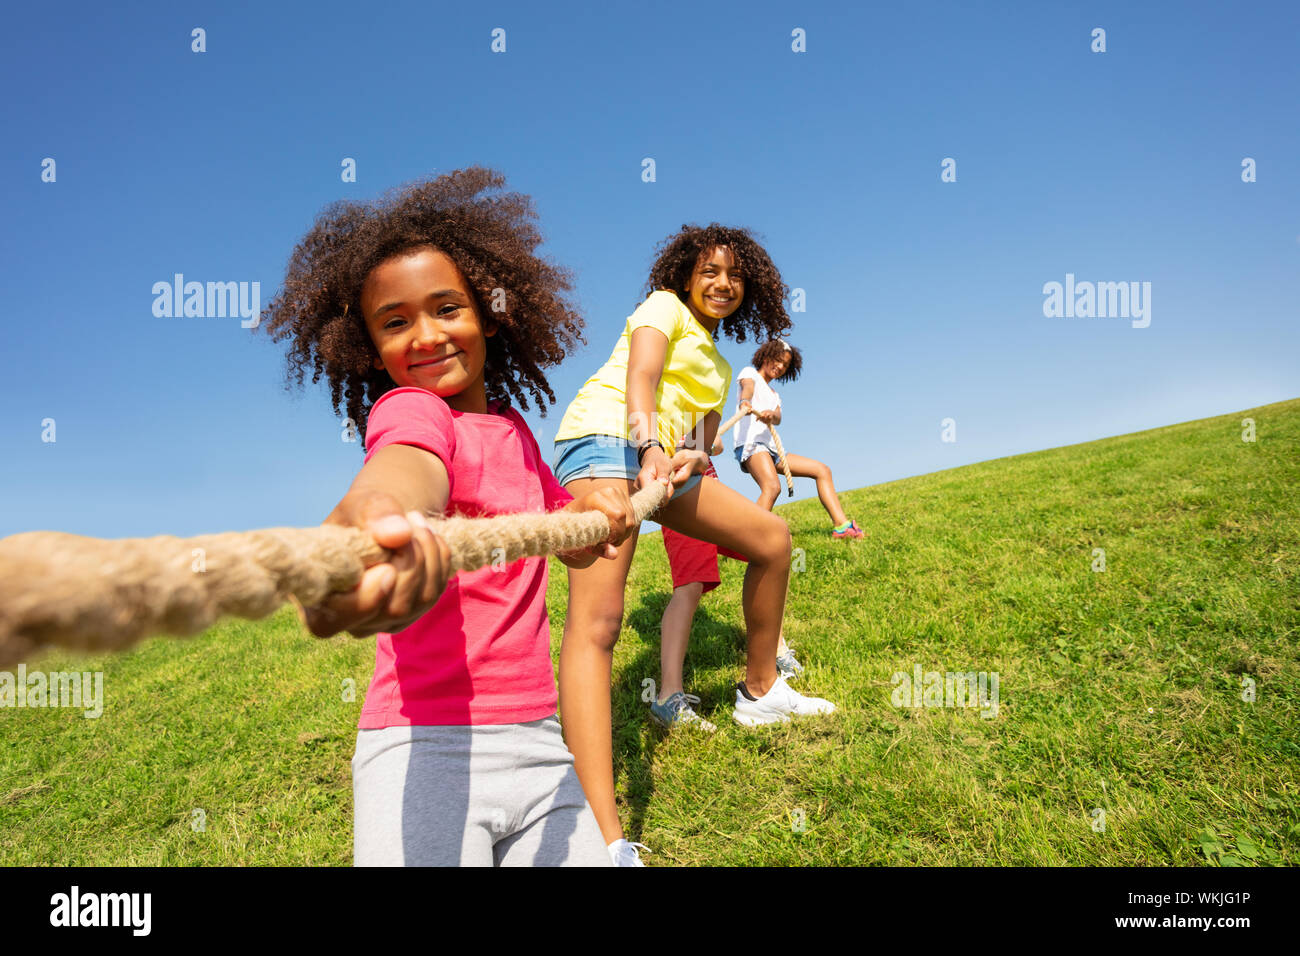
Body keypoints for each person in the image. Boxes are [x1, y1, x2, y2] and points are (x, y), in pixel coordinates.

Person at [262, 167, 635, 866]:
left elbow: (569, 542)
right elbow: (404, 471)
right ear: (372, 349)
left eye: (447, 309)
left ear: (490, 314)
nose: (427, 336)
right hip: (423, 748)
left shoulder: (517, 433)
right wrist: (372, 518)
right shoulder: (410, 411)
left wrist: (595, 508)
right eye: (395, 323)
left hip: (541, 744)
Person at [552, 224, 837, 866]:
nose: (722, 284)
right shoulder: (661, 306)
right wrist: (652, 445)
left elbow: (704, 442)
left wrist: (685, 453)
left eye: (735, 277)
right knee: (599, 624)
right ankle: (600, 837)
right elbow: (642, 378)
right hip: (607, 439)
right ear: (685, 274)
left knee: (771, 538)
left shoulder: (713, 358)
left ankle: (760, 694)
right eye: (709, 271)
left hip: (664, 465)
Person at [652, 437, 804, 734]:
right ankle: (668, 696)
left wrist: (698, 440)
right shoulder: (655, 411)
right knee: (689, 587)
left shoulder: (695, 404)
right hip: (682, 501)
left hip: (712, 500)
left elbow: (717, 444)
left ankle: (776, 650)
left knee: (770, 550)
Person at [734, 341, 863, 539]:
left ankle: (841, 527)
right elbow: (747, 387)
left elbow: (778, 417)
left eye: (785, 365)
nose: (780, 367)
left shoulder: (775, 395)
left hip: (774, 451)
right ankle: (744, 539)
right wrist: (745, 402)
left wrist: (771, 415)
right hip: (752, 444)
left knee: (822, 470)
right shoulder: (749, 373)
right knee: (772, 487)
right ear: (766, 357)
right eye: (778, 361)